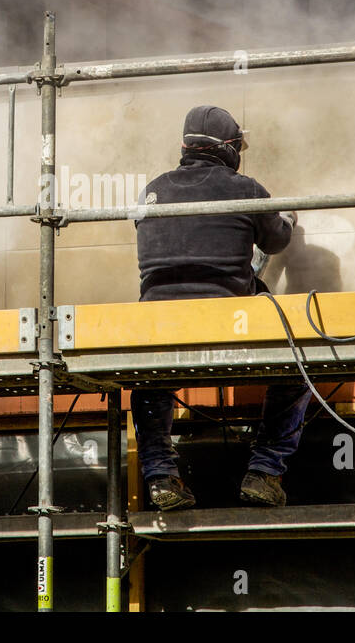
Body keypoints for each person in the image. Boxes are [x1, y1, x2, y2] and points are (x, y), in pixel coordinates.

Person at [131, 105, 310, 510]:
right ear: (230, 148)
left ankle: (160, 477)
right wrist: (287, 220)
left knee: (149, 380)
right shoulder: (246, 189)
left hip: (156, 323)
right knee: (298, 370)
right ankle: (265, 472)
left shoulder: (150, 192)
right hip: (228, 323)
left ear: (184, 145)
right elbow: (277, 241)